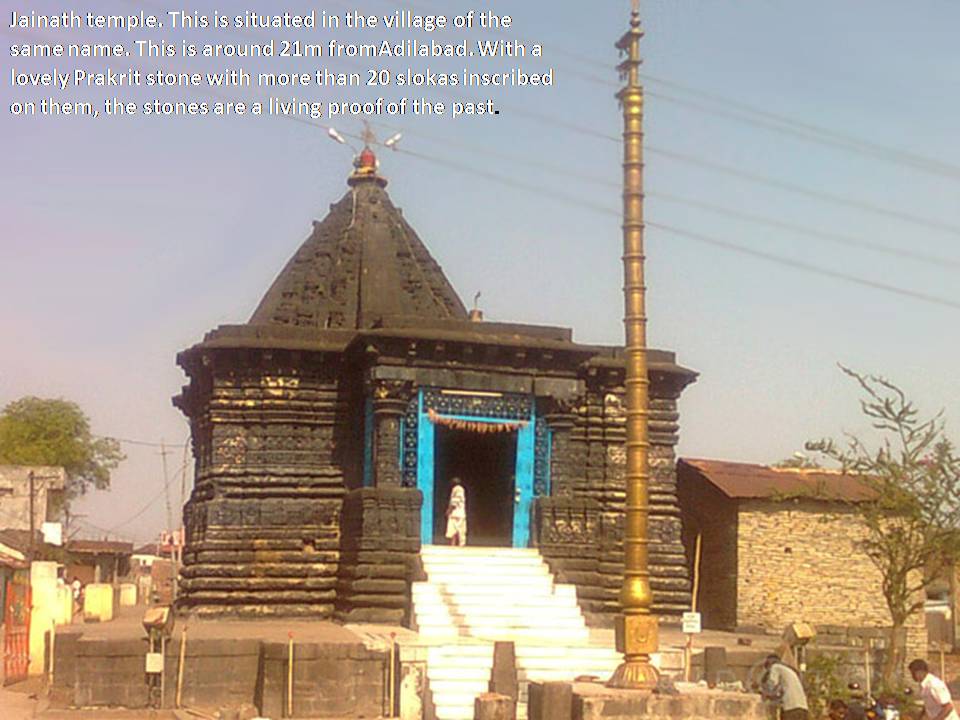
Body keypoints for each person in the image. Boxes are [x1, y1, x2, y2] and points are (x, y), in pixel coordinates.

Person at [761, 654, 809, 720]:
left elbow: (771, 685)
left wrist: (764, 692)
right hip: (803, 708)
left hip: (791, 708)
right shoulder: (789, 672)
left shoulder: (775, 667)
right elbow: (780, 694)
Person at [445, 477, 467, 546]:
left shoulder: (457, 489)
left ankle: (457, 544)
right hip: (459, 513)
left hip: (456, 513)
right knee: (458, 529)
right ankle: (457, 544)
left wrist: (449, 510)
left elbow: (455, 501)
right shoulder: (459, 489)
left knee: (455, 529)